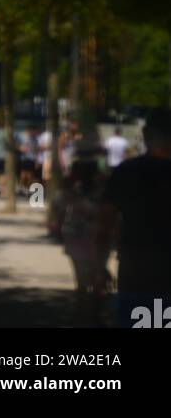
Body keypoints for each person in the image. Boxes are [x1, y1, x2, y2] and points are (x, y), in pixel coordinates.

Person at [98, 107, 171, 328]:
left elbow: (105, 221)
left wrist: (100, 264)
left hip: (135, 267)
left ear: (146, 135)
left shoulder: (127, 172)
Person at [50, 156, 110, 326]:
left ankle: (81, 314)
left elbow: (57, 209)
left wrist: (57, 228)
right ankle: (95, 314)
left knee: (81, 278)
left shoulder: (68, 189)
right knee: (98, 274)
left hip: (76, 236)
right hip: (99, 236)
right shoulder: (103, 190)